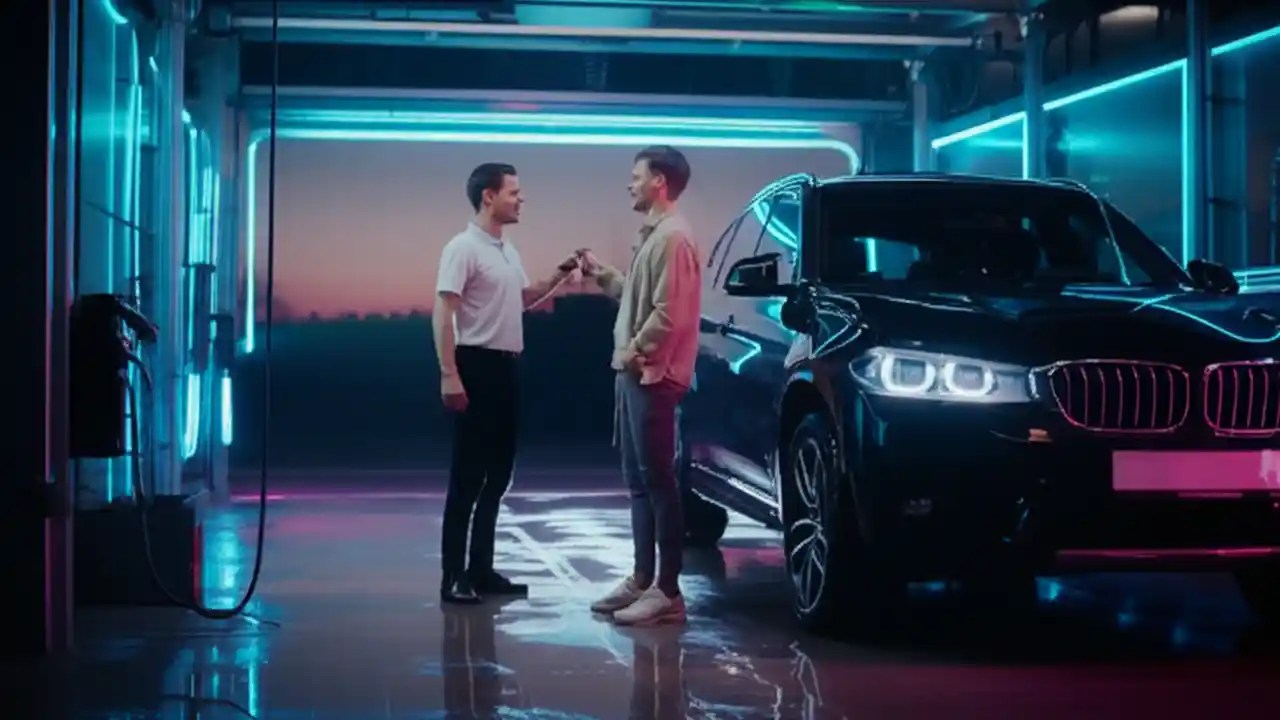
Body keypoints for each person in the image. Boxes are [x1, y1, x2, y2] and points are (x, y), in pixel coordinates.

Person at [433, 162, 582, 604]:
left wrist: (561, 273)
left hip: (505, 369)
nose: (521, 199)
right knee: (467, 477)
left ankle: (481, 569)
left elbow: (524, 298)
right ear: (488, 197)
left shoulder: (504, 249)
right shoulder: (462, 248)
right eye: (514, 192)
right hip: (474, 365)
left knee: (497, 475)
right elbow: (444, 313)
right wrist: (449, 373)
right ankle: (453, 576)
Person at [581, 146, 701, 625]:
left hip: (652, 374)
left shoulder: (674, 238)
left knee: (658, 482)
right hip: (635, 372)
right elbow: (641, 295)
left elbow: (668, 314)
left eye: (636, 176)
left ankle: (667, 591)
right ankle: (641, 579)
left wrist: (632, 350)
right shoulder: (656, 237)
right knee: (639, 481)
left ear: (660, 182)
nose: (629, 184)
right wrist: (604, 277)